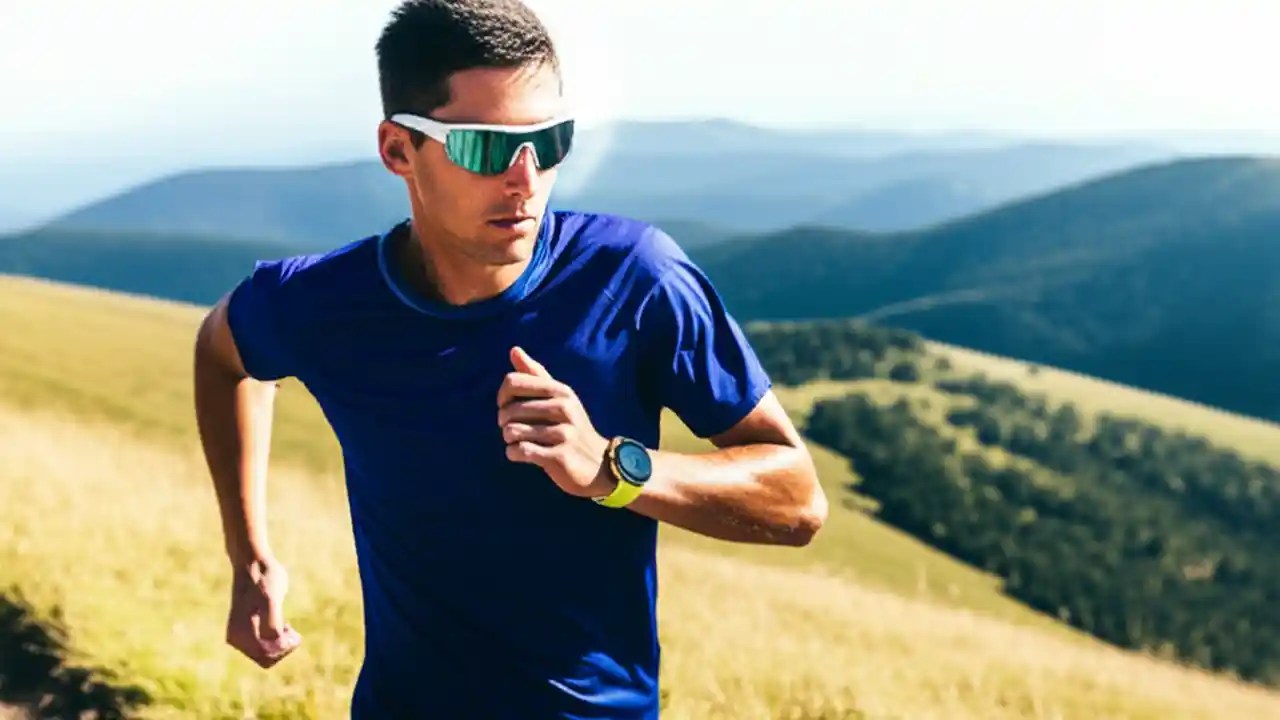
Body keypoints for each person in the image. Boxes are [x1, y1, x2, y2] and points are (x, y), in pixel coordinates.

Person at [192, 0, 827, 717]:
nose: (526, 179)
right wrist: (248, 558)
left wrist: (613, 468)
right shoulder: (318, 302)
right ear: (399, 149)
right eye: (487, 148)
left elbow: (797, 502)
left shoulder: (636, 278)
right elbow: (222, 357)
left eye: (549, 141)